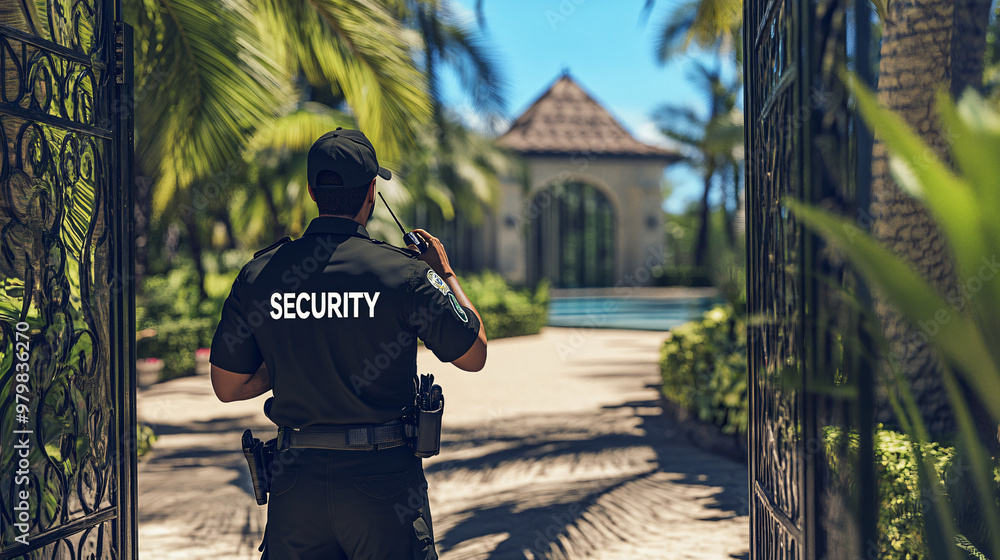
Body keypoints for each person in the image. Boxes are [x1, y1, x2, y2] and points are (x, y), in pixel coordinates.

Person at [208, 127, 487, 560]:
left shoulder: (259, 274)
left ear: (312, 191)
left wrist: (291, 362)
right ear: (371, 192)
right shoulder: (403, 273)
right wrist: (444, 273)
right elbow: (474, 353)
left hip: (296, 489)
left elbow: (228, 386)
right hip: (384, 488)